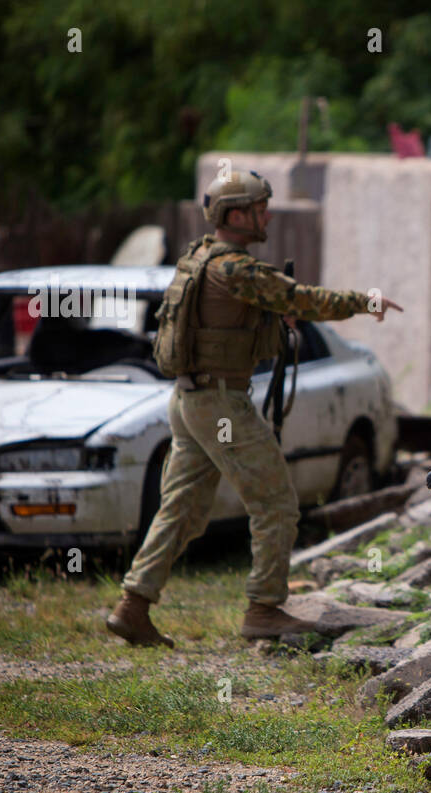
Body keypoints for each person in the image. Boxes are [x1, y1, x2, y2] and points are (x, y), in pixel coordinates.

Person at [106, 169, 402, 649]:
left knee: (181, 509)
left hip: (189, 400)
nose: (267, 215)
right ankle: (264, 608)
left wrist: (268, 313)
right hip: (220, 405)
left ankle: (132, 605)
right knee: (277, 504)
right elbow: (299, 298)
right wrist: (363, 301)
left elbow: (239, 312)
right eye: (260, 207)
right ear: (237, 214)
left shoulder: (197, 257)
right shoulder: (235, 269)